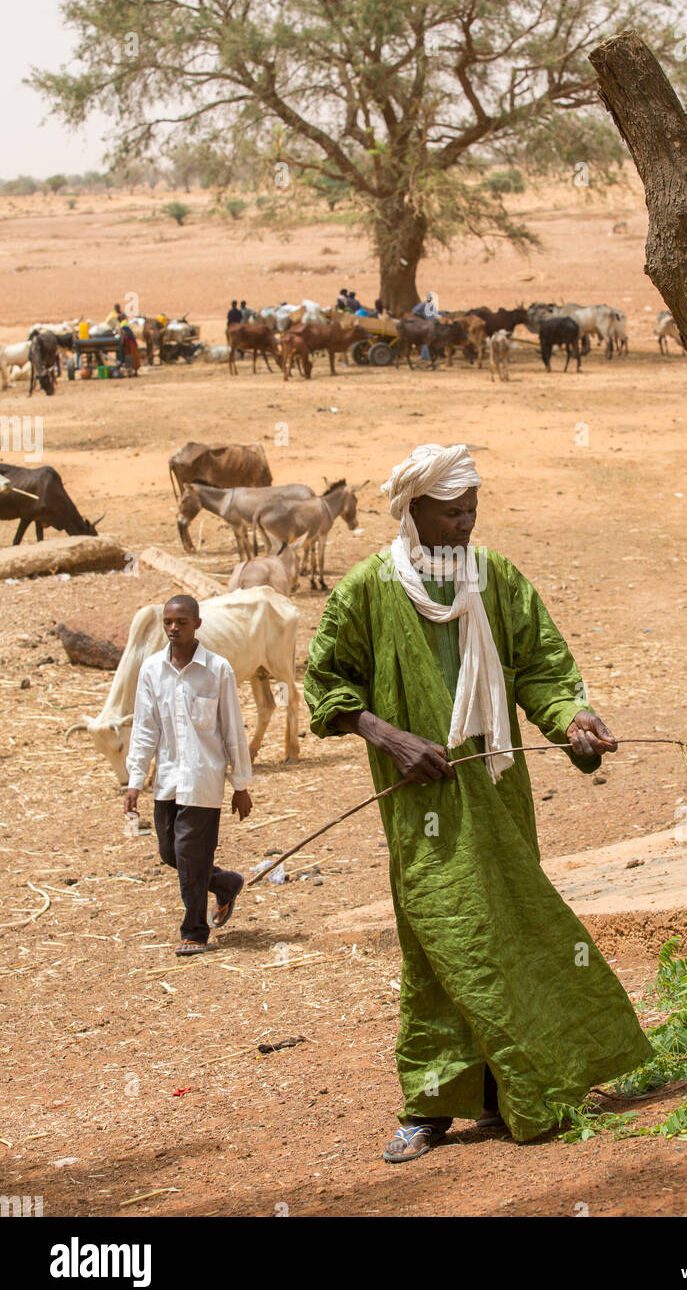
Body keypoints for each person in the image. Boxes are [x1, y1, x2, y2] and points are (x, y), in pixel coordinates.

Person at [304, 443, 653, 1163]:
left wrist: (572, 725)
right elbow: (328, 686)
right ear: (413, 509)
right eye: (451, 511)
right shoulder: (368, 589)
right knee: (441, 938)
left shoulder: (497, 580)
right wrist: (390, 736)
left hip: (497, 792)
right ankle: (431, 1106)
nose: (466, 524)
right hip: (421, 808)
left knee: (512, 927)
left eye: (472, 509)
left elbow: (544, 669)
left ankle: (515, 1089)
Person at [124, 595, 253, 957]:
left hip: (203, 780)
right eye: (167, 622)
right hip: (167, 781)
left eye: (181, 622)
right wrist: (135, 781)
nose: (173, 628)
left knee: (189, 858)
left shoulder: (217, 670)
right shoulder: (151, 670)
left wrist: (240, 785)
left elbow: (233, 731)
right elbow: (145, 730)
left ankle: (194, 932)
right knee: (171, 854)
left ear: (197, 624)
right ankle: (226, 883)